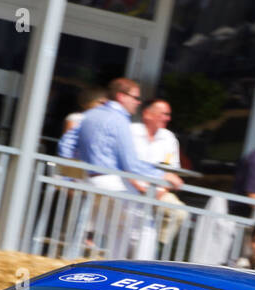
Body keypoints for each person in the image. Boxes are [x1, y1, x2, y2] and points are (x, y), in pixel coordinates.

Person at [75, 78, 183, 257]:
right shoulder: (121, 121)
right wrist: (161, 177)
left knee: (121, 232)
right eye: (135, 97)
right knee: (145, 228)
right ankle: (144, 271)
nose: (138, 102)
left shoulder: (90, 115)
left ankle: (114, 269)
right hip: (116, 184)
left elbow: (67, 146)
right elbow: (129, 164)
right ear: (121, 96)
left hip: (94, 181)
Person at [131, 99, 186, 249]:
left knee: (179, 212)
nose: (168, 118)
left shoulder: (169, 138)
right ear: (147, 114)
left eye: (168, 115)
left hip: (157, 193)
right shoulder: (131, 131)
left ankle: (160, 247)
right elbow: (124, 165)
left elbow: (172, 173)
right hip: (127, 188)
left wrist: (161, 192)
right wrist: (138, 187)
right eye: (163, 114)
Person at [57, 87, 106, 159]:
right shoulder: (76, 118)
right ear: (88, 102)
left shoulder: (105, 122)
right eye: (101, 102)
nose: (104, 106)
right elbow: (68, 145)